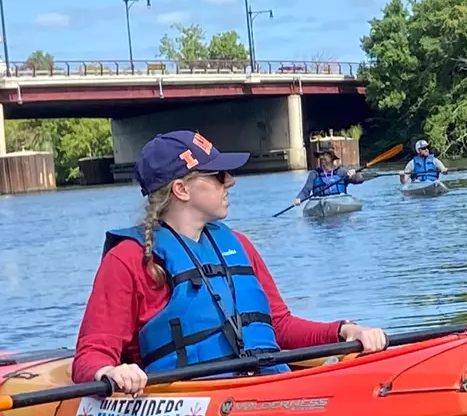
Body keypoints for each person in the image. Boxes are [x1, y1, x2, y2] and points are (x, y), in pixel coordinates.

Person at [75, 130, 389, 396]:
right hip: (194, 398)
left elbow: (278, 326)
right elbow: (91, 355)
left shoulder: (239, 244)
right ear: (181, 189)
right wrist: (111, 372)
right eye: (218, 175)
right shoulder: (128, 260)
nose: (231, 182)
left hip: (266, 386)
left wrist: (344, 331)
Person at [295, 148, 364, 203]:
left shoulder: (341, 172)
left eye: (324, 154)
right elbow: (306, 190)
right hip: (320, 202)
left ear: (331, 157)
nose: (321, 157)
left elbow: (359, 180)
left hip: (339, 200)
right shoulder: (314, 174)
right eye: (320, 155)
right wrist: (299, 198)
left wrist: (354, 175)